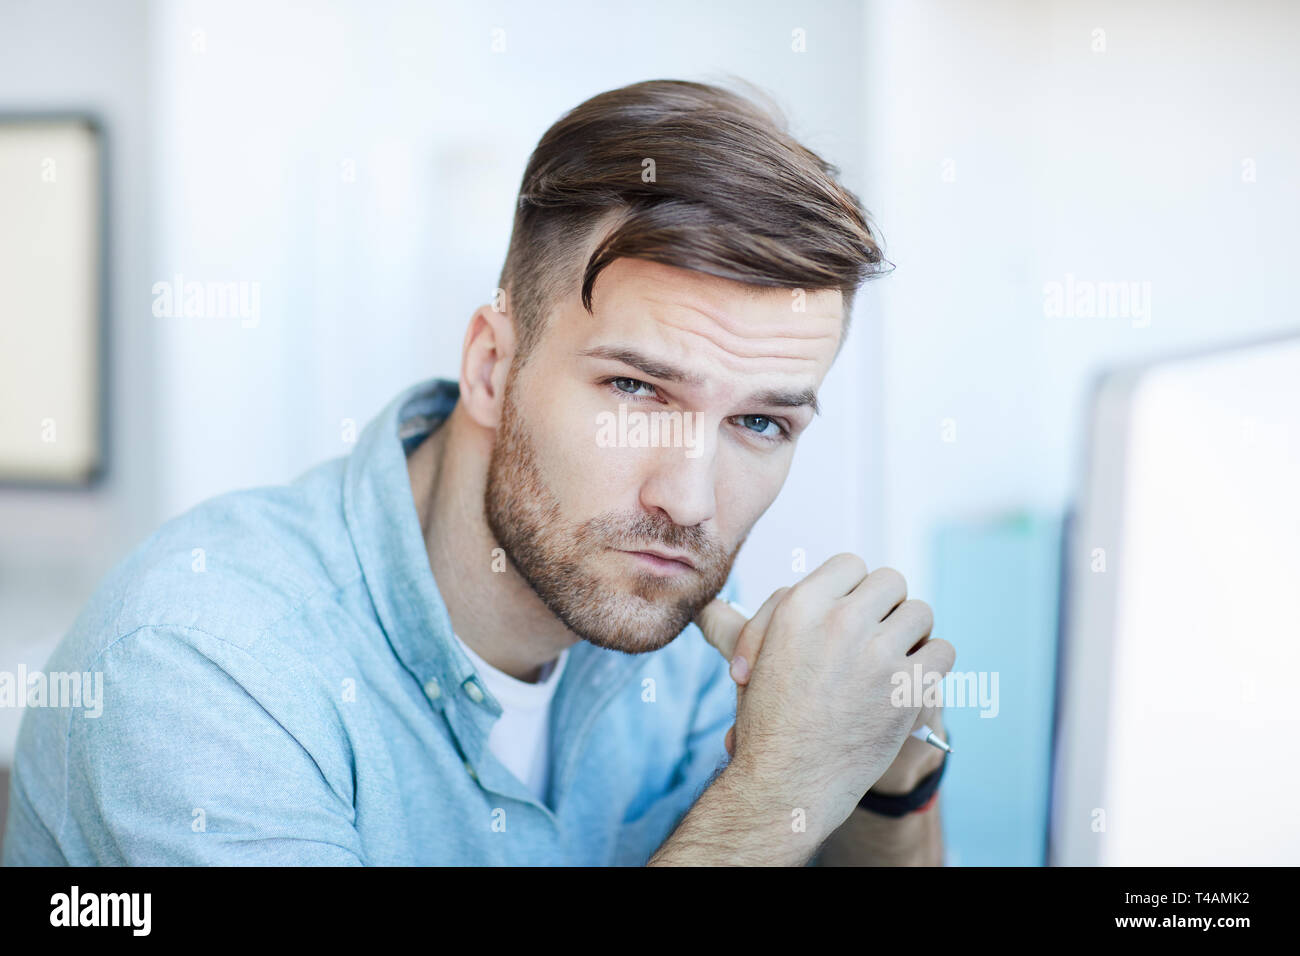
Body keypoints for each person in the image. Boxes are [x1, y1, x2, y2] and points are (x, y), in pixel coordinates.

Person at [2, 78, 954, 866]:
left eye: (758, 421)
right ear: (493, 368)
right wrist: (777, 784)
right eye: (635, 389)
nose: (689, 500)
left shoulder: (672, 613)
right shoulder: (203, 665)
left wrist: (887, 774)